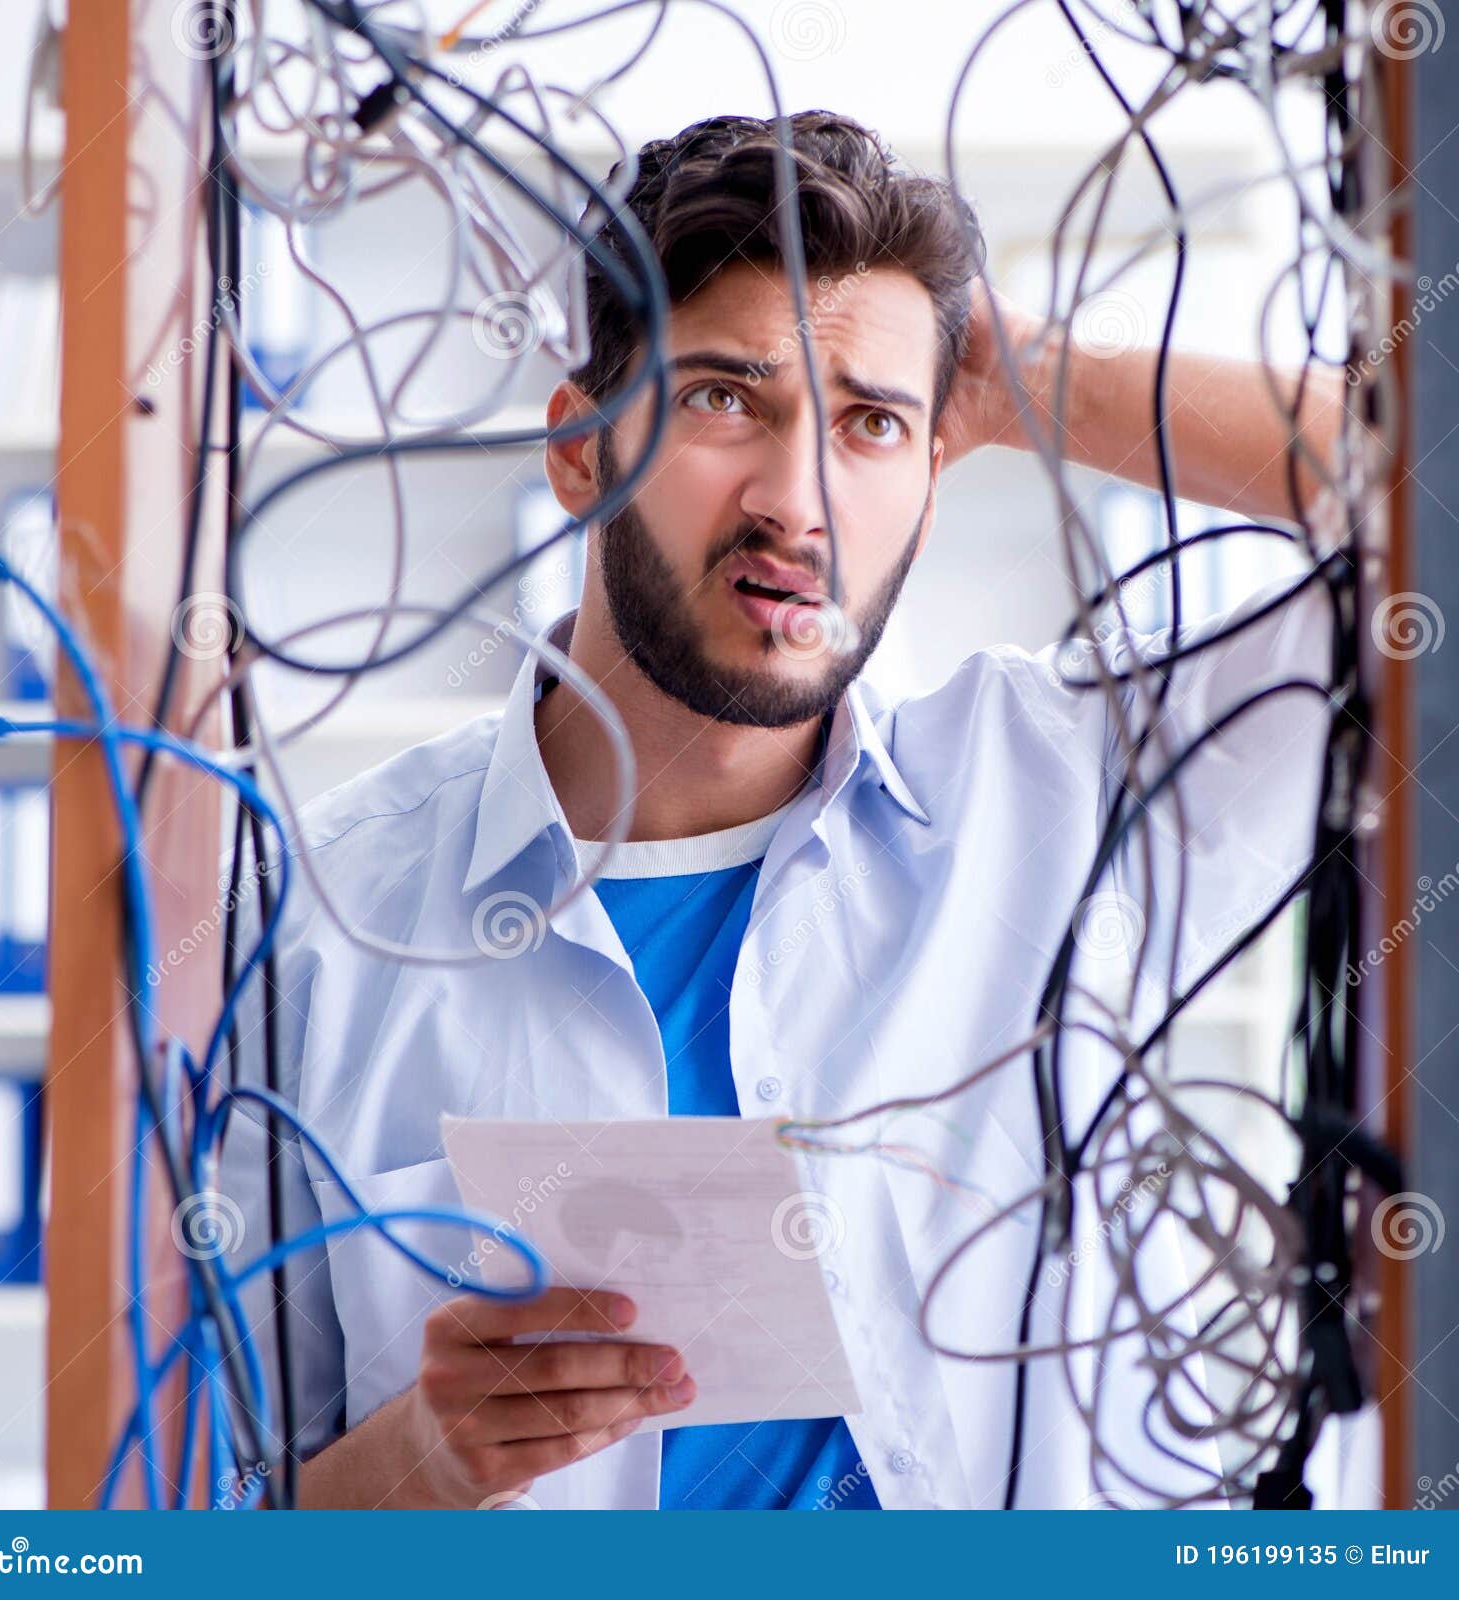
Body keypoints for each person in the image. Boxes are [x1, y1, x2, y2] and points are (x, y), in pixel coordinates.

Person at [223, 110, 1342, 1509]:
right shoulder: (324, 923)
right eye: (723, 399)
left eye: (869, 427)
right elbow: (181, 1517)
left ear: (937, 475)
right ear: (579, 449)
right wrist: (411, 1467)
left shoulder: (1066, 796)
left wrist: (1029, 374)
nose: (797, 501)